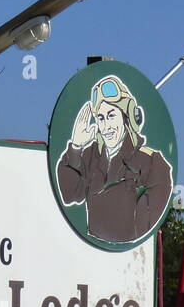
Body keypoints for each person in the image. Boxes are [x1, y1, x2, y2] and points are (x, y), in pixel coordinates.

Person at [55, 74, 173, 244]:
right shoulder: (89, 156)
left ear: (128, 116)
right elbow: (70, 195)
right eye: (101, 118)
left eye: (111, 116)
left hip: (128, 260)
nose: (106, 126)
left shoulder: (152, 163)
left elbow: (147, 224)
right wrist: (75, 147)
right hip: (90, 252)